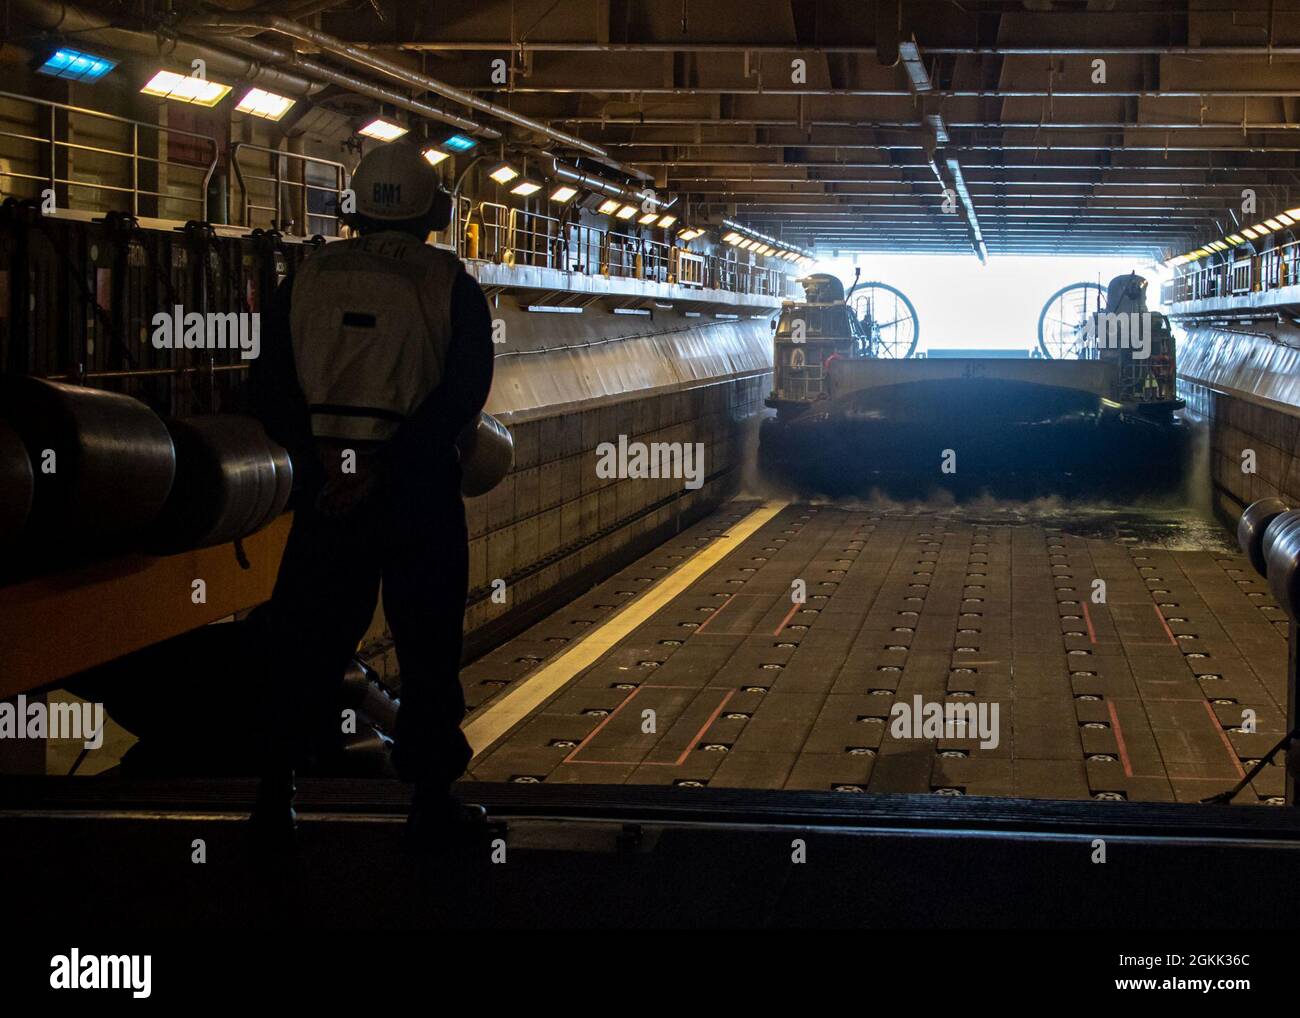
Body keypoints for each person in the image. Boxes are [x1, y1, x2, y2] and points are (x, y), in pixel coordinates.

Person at [248, 140, 494, 843]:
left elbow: (268, 385)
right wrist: (388, 466)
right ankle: (430, 801)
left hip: (327, 499)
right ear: (433, 214)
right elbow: (461, 397)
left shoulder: (307, 277)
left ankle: (274, 796)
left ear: (353, 208)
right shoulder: (450, 284)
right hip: (415, 494)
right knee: (427, 648)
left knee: (304, 645)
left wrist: (325, 465)